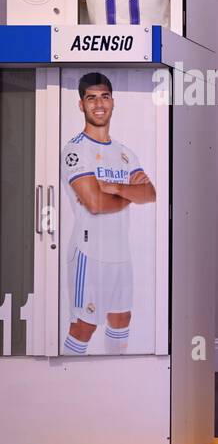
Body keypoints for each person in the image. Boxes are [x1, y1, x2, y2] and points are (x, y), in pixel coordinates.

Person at [61, 72, 156, 356]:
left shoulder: (125, 153)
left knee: (121, 318)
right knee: (84, 326)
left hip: (121, 254)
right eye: (91, 98)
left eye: (104, 97)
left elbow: (150, 193)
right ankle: (67, 383)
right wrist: (129, 194)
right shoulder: (75, 150)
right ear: (81, 105)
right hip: (89, 254)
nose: (98, 104)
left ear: (113, 102)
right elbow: (95, 203)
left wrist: (113, 186)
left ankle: (116, 380)